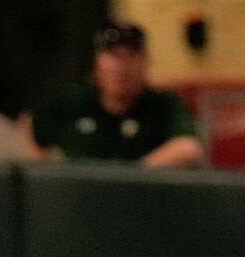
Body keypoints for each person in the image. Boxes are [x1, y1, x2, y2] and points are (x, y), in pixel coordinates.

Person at [20, 21, 205, 168]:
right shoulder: (74, 102)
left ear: (145, 62)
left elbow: (189, 149)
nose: (121, 66)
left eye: (130, 55)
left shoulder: (164, 104)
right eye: (113, 55)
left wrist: (127, 181)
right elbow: (30, 125)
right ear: (97, 62)